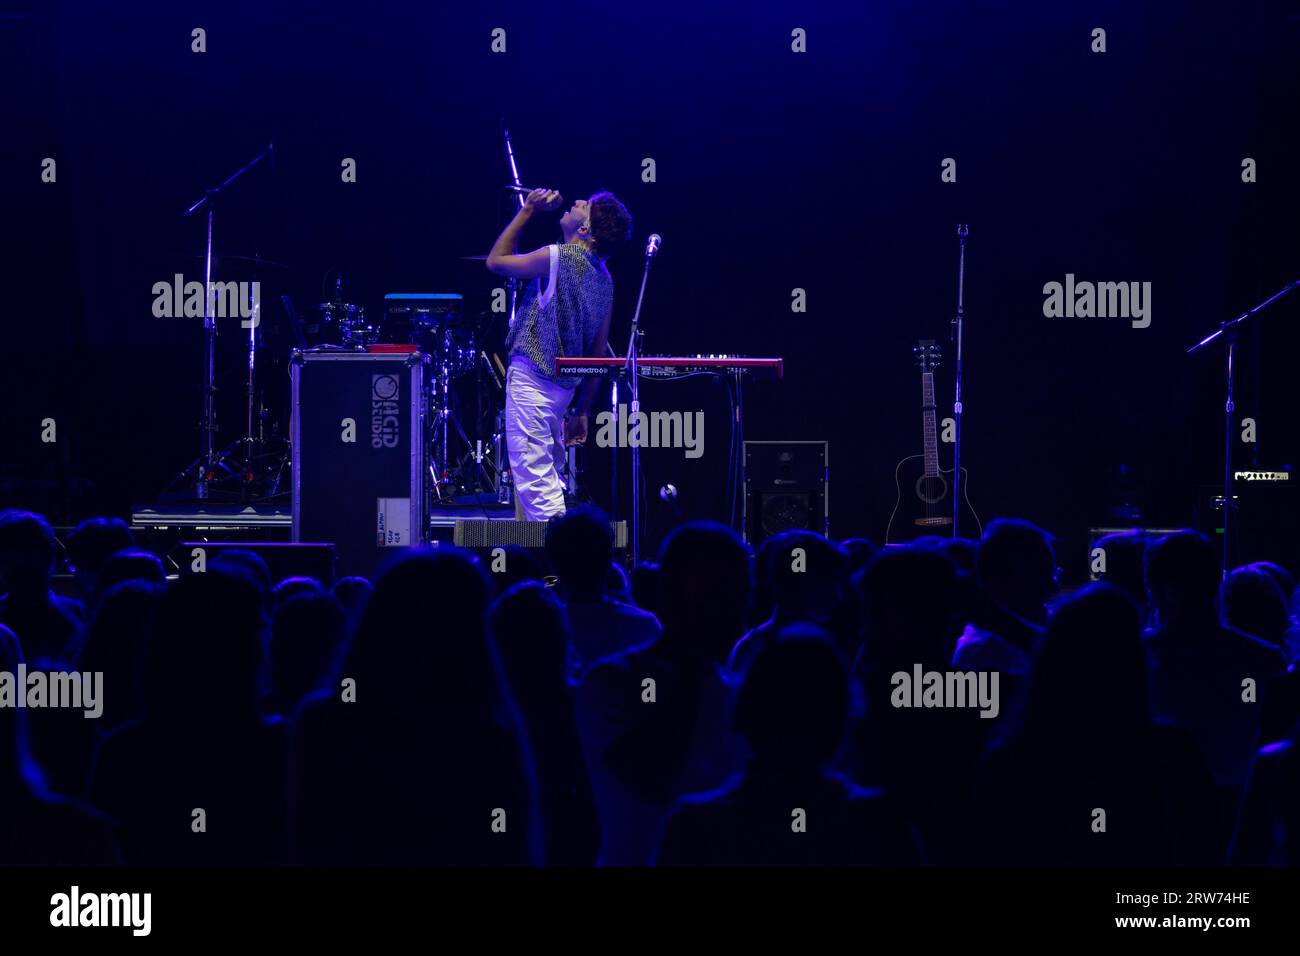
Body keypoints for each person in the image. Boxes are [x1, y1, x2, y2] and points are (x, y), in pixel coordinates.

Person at [487, 188, 633, 520]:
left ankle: (565, 564)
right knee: (549, 477)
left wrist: (528, 210)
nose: (575, 203)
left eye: (584, 206)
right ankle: (564, 560)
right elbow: (598, 357)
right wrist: (583, 410)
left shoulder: (559, 256)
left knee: (537, 486)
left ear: (585, 230)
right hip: (563, 393)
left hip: (532, 383)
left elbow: (496, 261)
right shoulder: (605, 279)